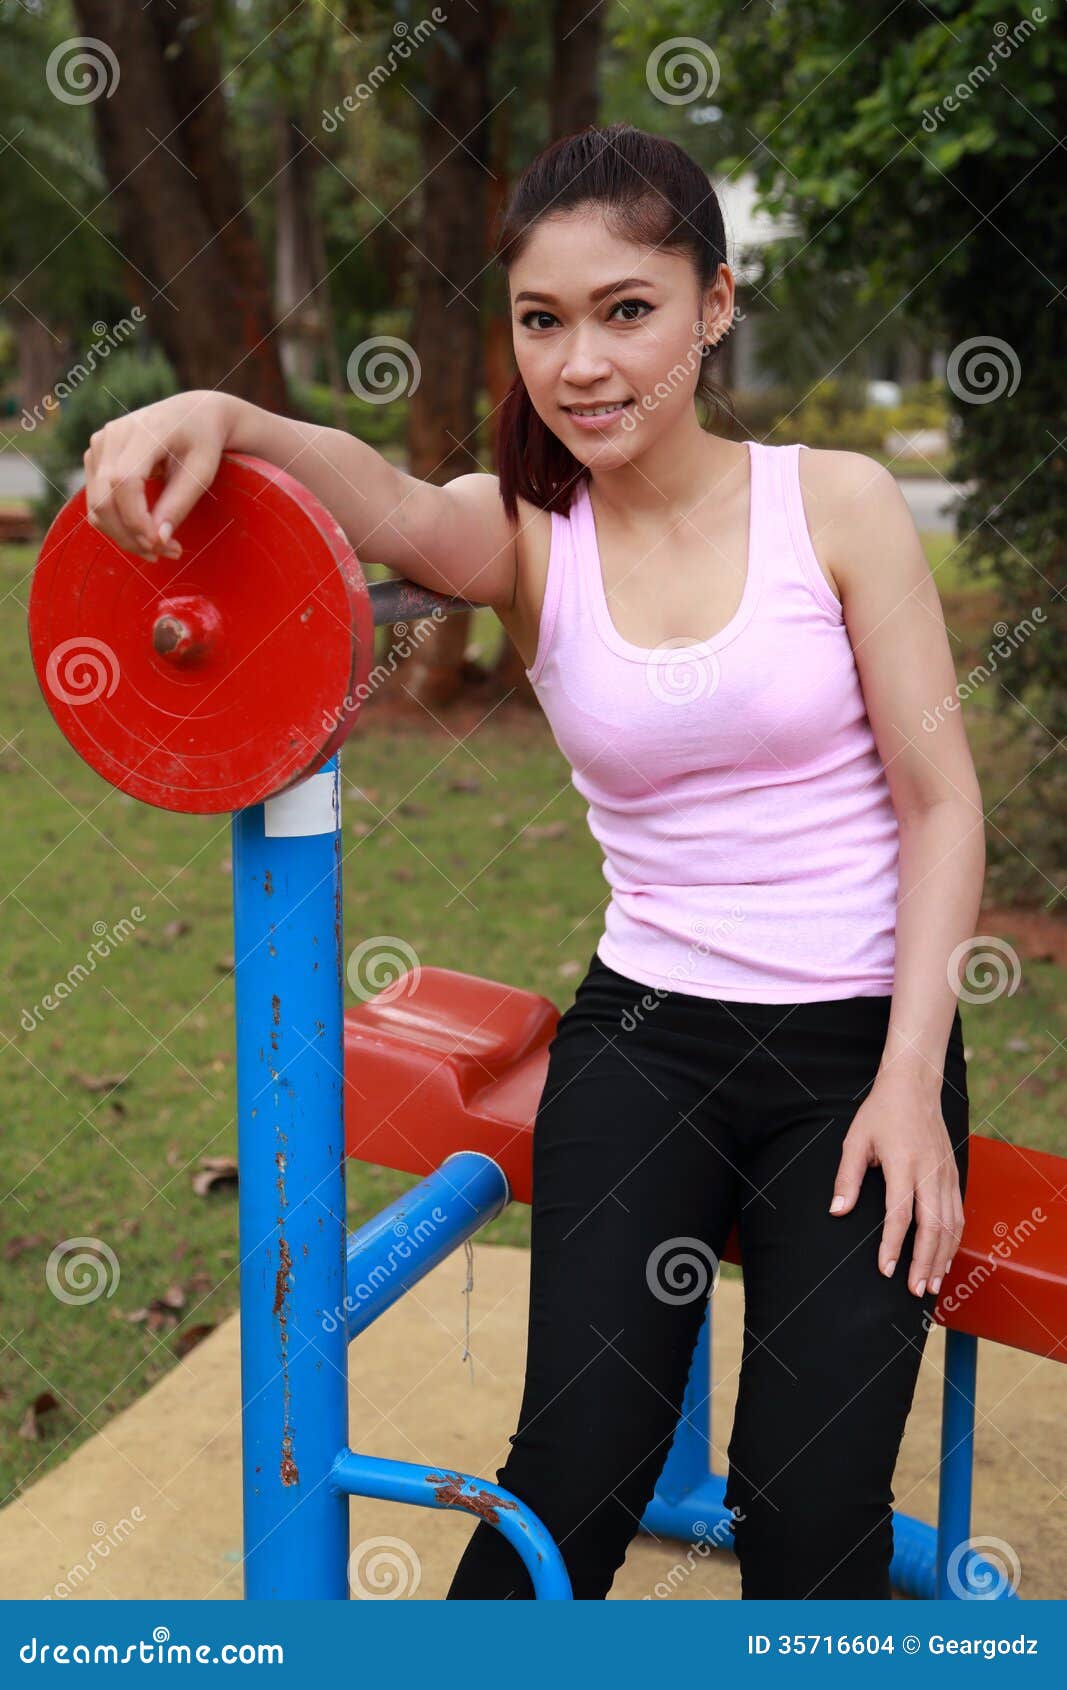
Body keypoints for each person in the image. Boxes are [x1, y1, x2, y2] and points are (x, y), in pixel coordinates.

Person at [80, 121, 983, 1601]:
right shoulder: (528, 529)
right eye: (542, 321)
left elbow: (944, 806)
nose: (582, 364)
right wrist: (225, 412)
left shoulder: (838, 507)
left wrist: (909, 1082)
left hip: (859, 1044)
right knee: (570, 1476)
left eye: (628, 311)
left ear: (716, 303)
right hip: (649, 1035)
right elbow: (377, 501)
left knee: (808, 1520)